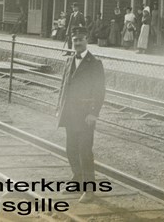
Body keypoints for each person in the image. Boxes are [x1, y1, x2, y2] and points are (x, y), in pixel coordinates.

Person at [56, 27, 105, 203]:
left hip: (85, 116)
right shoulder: (69, 60)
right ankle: (77, 179)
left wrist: (93, 113)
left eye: (80, 39)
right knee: (71, 149)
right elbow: (64, 85)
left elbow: (100, 91)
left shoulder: (95, 64)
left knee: (84, 151)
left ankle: (89, 190)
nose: (77, 43)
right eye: (75, 40)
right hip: (69, 113)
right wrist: (59, 107)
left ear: (87, 40)